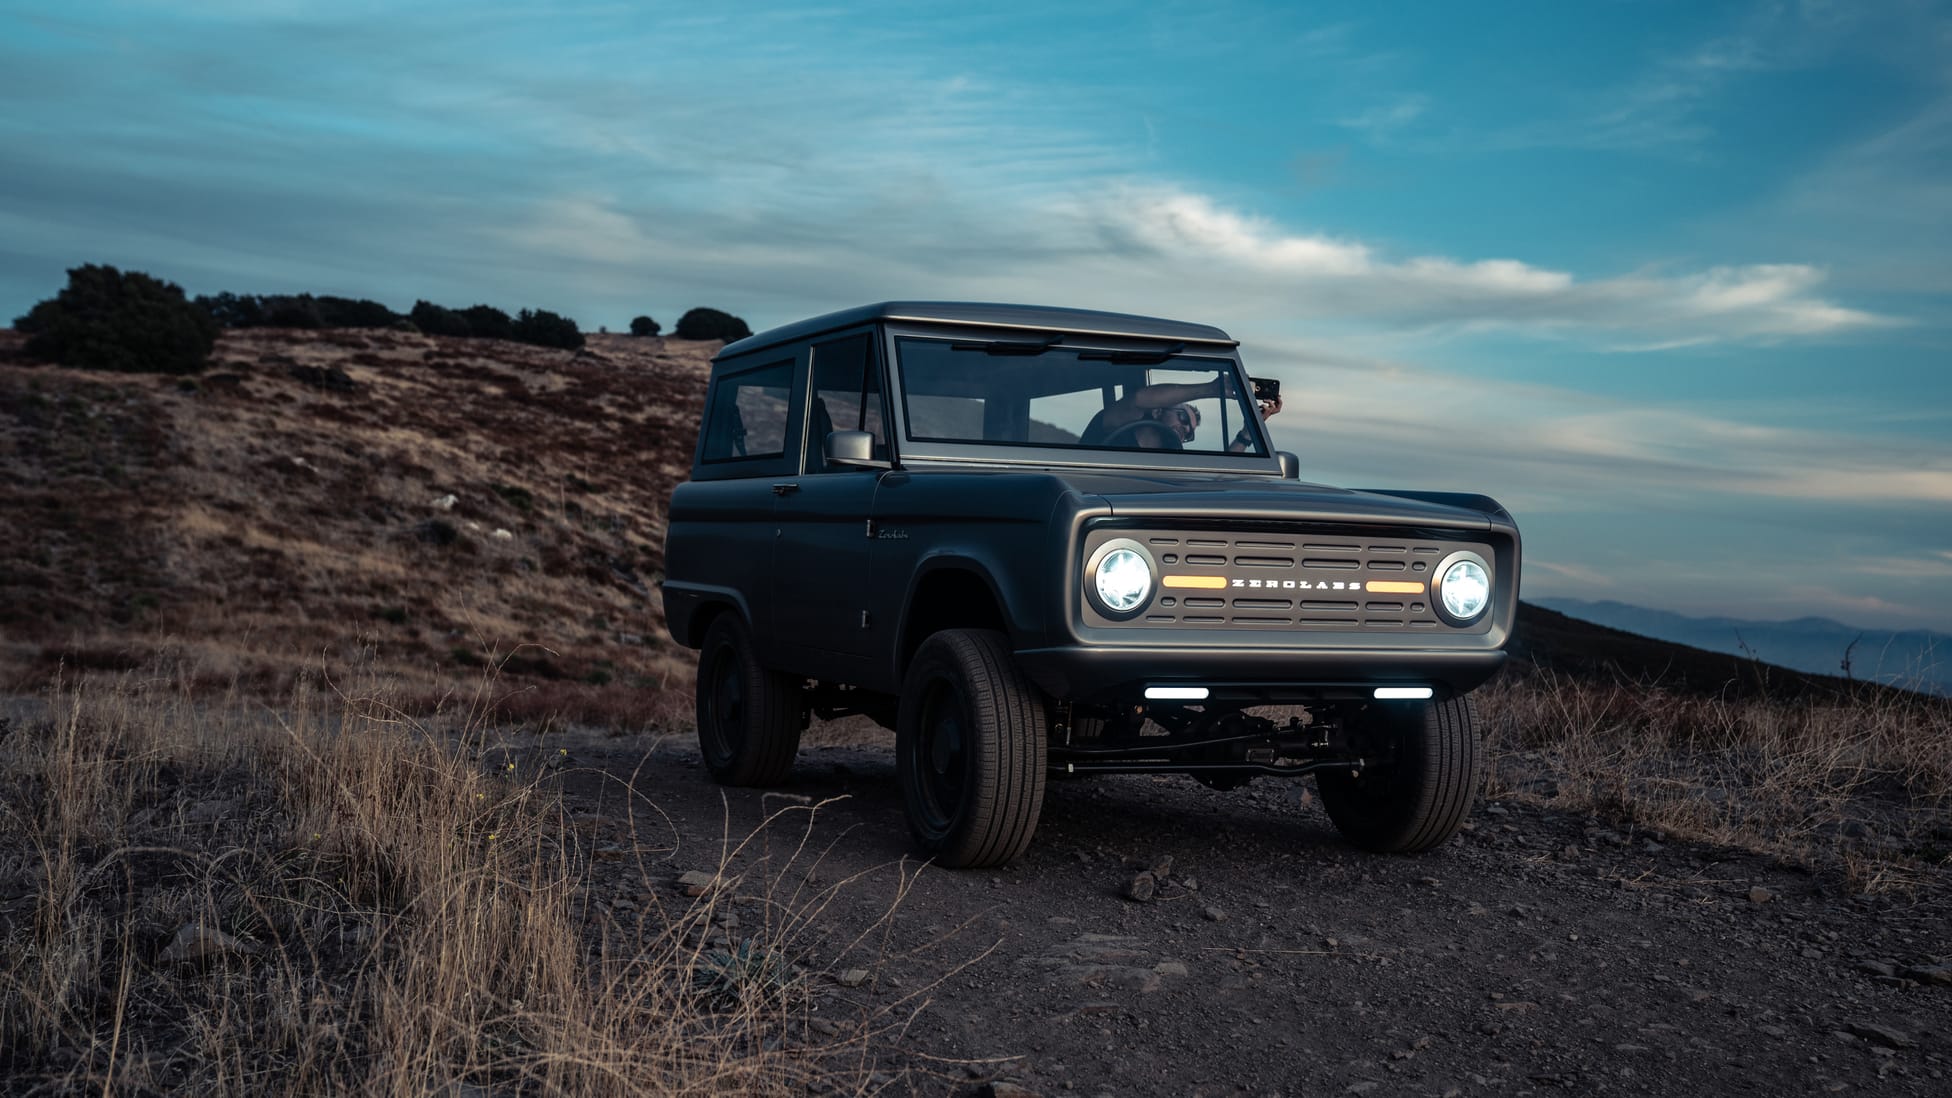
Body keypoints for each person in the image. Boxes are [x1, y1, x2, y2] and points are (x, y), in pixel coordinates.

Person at [1079, 376, 1282, 452]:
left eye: (1189, 432)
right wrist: (1213, 389)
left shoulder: (1172, 458)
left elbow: (1220, 479)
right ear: (1158, 410)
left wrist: (1247, 434)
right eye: (1183, 418)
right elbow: (1139, 399)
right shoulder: (1115, 425)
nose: (1185, 429)